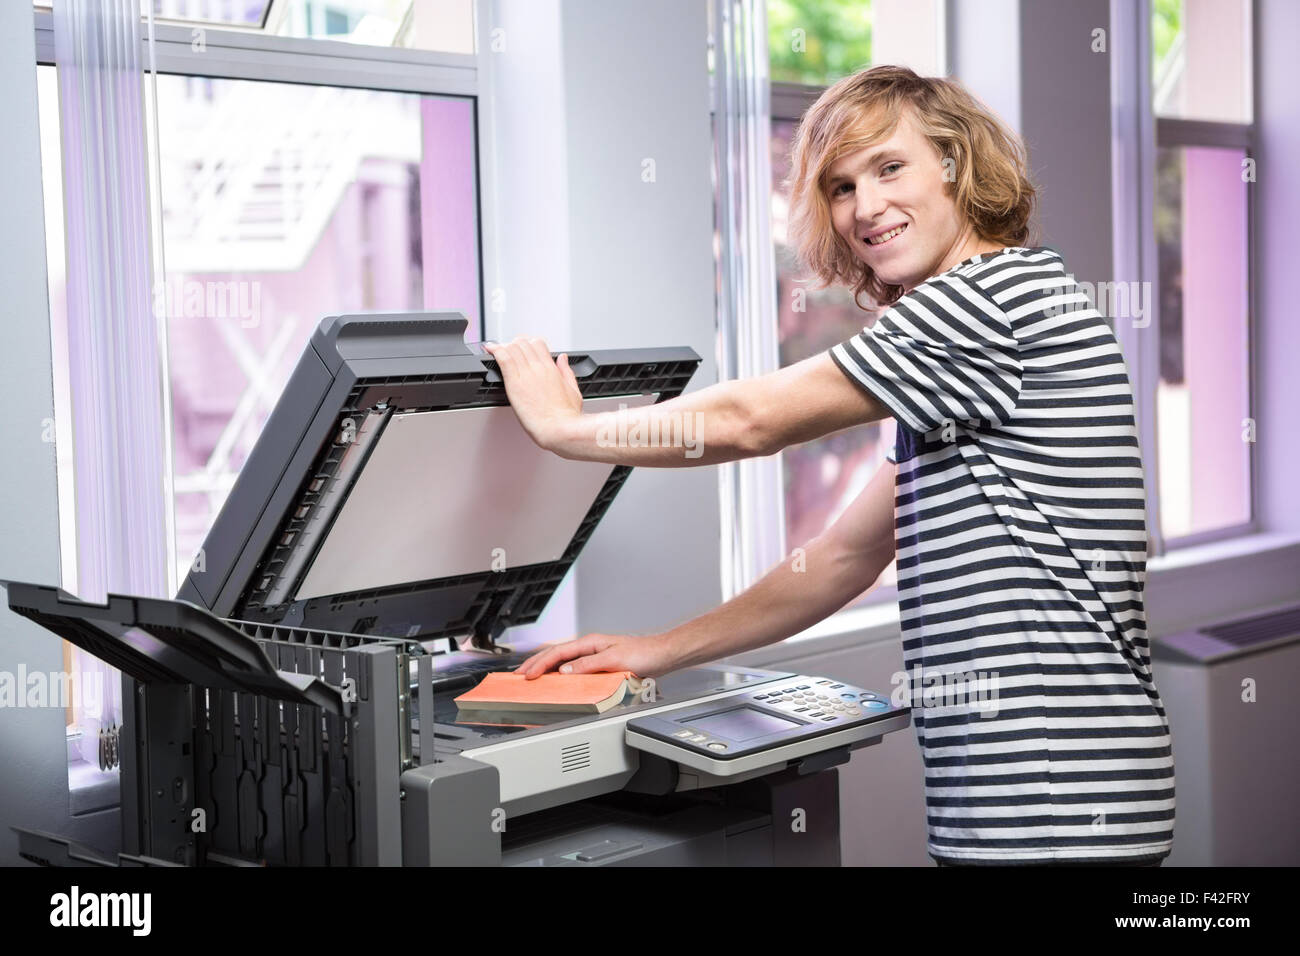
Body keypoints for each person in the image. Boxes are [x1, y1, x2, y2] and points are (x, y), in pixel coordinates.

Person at [483, 65, 1174, 867]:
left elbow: (752, 421)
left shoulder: (986, 303)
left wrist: (567, 429)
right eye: (841, 187)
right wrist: (657, 650)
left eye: (890, 167)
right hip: (1057, 795)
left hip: (1053, 804)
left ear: (961, 165)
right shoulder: (992, 324)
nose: (866, 207)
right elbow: (841, 558)